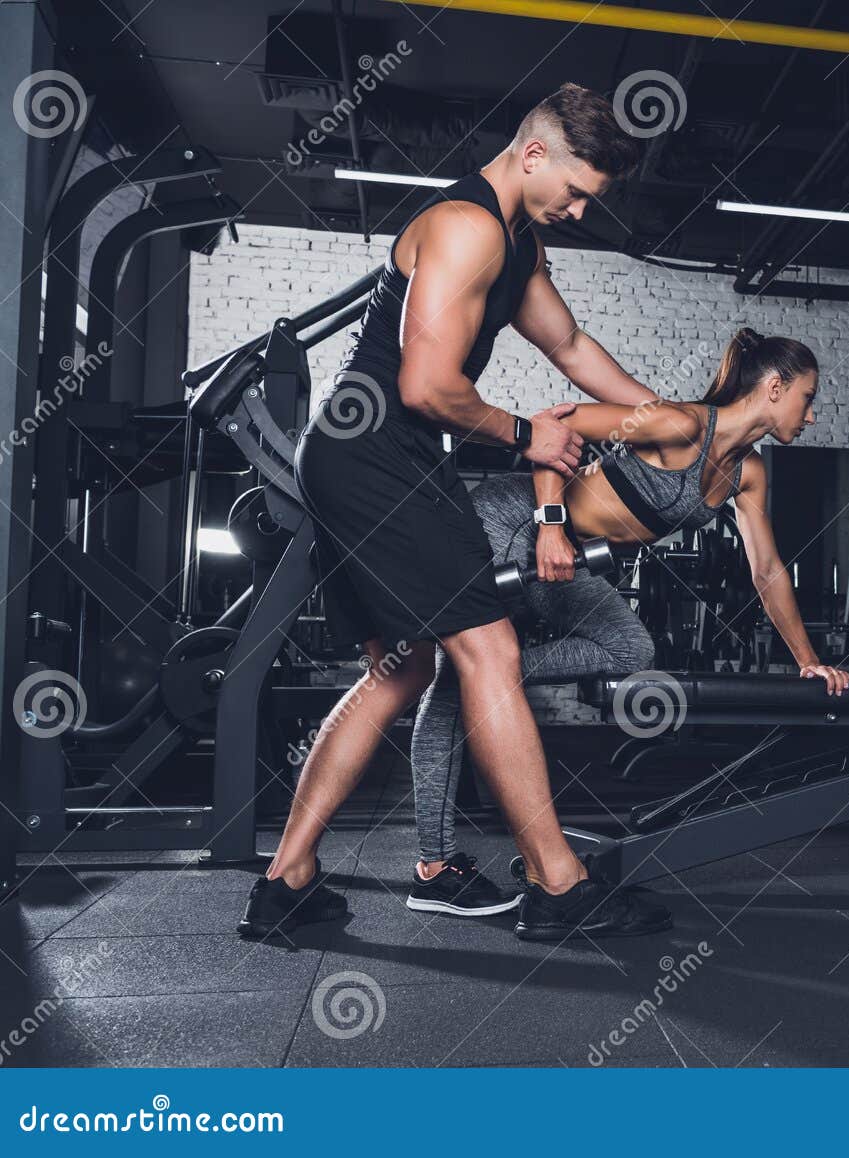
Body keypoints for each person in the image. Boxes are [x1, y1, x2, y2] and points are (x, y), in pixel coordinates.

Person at [237, 82, 674, 942]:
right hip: (373, 458)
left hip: (373, 458)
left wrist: (674, 419)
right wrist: (529, 438)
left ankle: (285, 883)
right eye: (578, 190)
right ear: (535, 152)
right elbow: (426, 386)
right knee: (491, 649)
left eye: (593, 199)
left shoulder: (518, 243)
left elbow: (573, 347)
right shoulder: (468, 226)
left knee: (398, 671)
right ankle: (558, 885)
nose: (580, 211)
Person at [406, 328, 849, 935]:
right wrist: (553, 525)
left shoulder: (747, 473)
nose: (812, 411)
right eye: (807, 395)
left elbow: (766, 568)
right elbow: (555, 423)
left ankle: (487, 672)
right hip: (509, 527)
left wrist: (807, 660)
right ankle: (433, 866)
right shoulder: (677, 425)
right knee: (454, 685)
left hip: (563, 564)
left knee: (627, 646)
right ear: (774, 387)